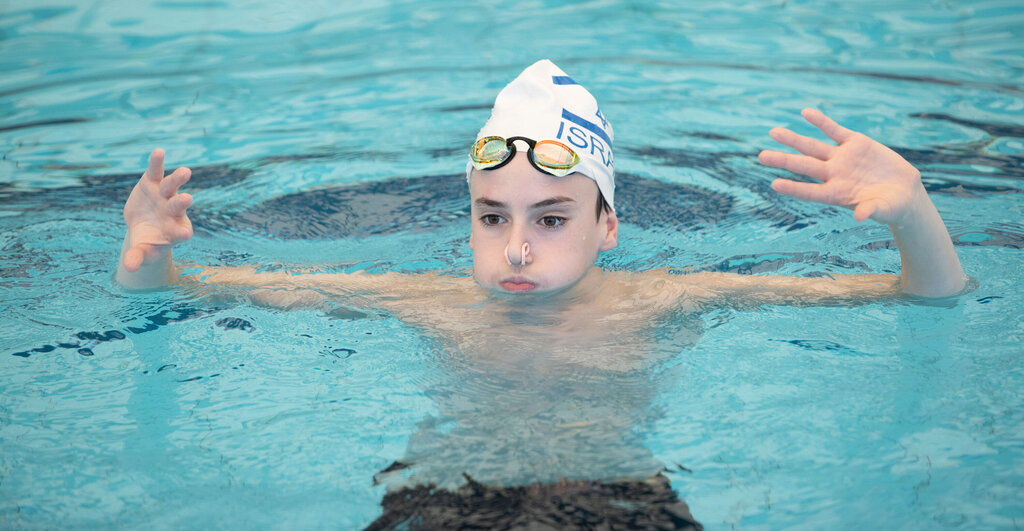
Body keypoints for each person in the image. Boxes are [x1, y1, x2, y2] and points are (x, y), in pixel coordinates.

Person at [115, 59, 966, 530]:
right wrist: (146, 257)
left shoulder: (664, 296)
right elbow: (193, 291)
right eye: (493, 217)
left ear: (608, 227)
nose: (516, 246)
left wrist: (914, 210)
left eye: (553, 218)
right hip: (446, 497)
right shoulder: (426, 299)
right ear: (469, 221)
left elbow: (917, 298)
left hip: (616, 497)